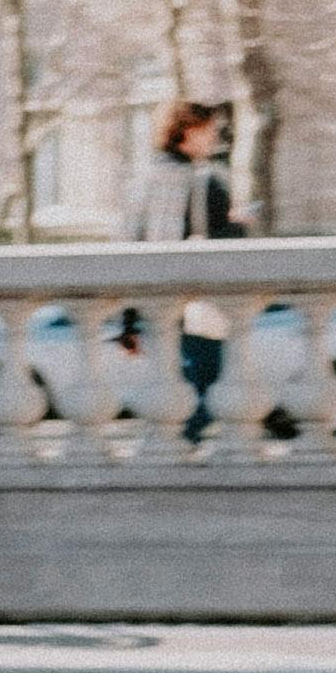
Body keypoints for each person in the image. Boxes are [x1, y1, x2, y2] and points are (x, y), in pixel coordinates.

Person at [122, 101, 244, 441]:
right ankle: (170, 455)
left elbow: (131, 245)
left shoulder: (143, 178)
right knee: (206, 390)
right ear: (187, 131)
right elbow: (215, 240)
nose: (213, 139)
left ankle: (167, 454)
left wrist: (128, 322)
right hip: (195, 306)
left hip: (155, 304)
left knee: (174, 391)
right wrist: (237, 227)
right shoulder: (204, 180)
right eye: (208, 131)